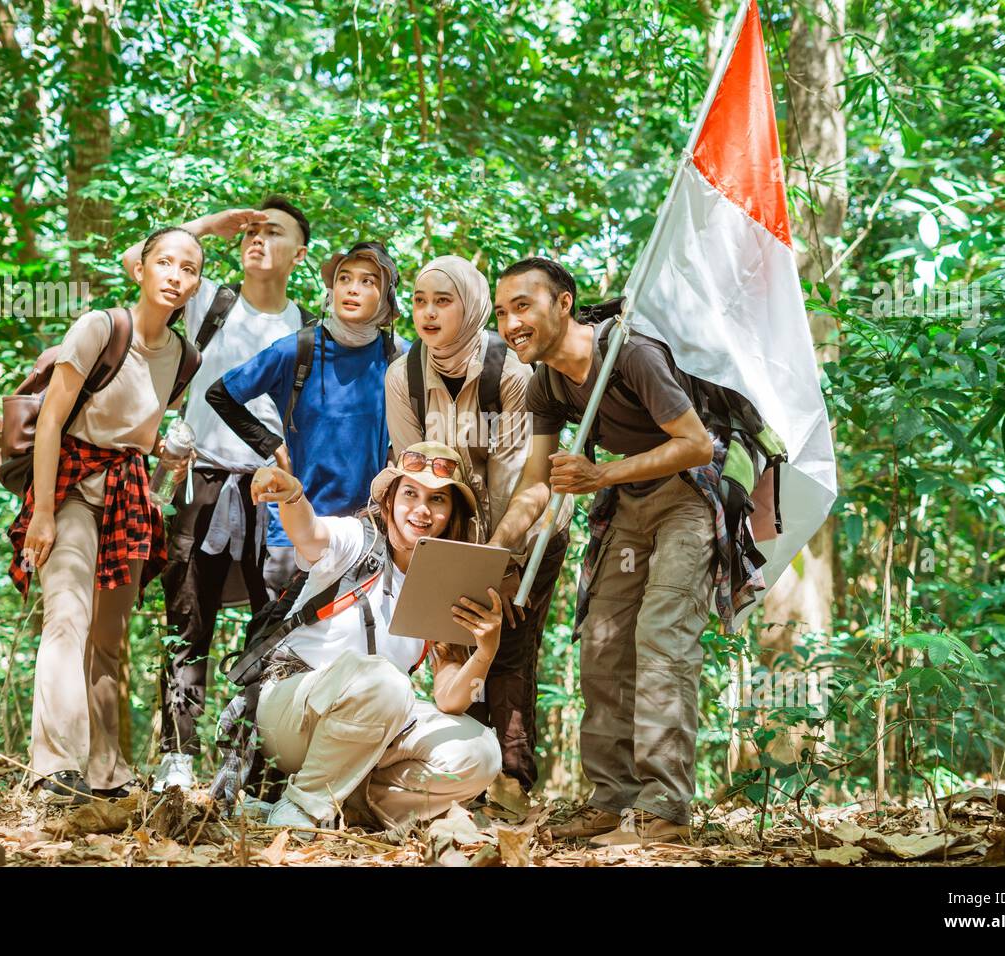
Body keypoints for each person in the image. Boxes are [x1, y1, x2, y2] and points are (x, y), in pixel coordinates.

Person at [489, 257, 716, 846]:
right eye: (501, 312)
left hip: (686, 503)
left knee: (662, 638)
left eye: (522, 306)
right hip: (624, 511)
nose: (510, 323)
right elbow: (537, 481)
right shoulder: (548, 383)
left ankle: (665, 809)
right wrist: (494, 549)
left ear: (563, 304)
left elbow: (697, 446)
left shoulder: (630, 353)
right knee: (603, 646)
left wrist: (602, 473)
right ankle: (612, 801)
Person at [119, 198, 315, 793]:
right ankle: (177, 760)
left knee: (277, 628)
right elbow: (137, 260)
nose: (256, 240)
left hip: (272, 495)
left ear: (298, 254)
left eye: (271, 233)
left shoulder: (306, 326)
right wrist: (207, 227)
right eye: (250, 233)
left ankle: (256, 768)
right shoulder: (210, 300)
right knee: (188, 618)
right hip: (201, 482)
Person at [11, 227, 204, 805]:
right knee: (66, 618)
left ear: (196, 284)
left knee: (109, 639)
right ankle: (54, 766)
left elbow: (141, 437)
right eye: (164, 262)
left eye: (189, 268)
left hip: (128, 497)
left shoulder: (184, 356)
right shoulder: (101, 327)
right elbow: (51, 420)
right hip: (68, 487)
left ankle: (107, 771)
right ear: (139, 269)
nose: (175, 275)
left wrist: (165, 451)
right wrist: (43, 513)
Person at [243, 441, 503, 832]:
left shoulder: (443, 584)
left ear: (451, 515)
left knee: (480, 752)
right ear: (388, 500)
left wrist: (485, 651)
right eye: (410, 493)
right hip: (292, 709)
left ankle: (356, 807)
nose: (422, 510)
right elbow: (311, 533)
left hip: (374, 723)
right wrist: (292, 495)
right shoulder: (356, 541)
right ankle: (302, 808)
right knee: (386, 681)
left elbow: (449, 697)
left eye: (437, 500)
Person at [384, 255, 570, 792]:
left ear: (471, 305)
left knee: (507, 644)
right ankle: (460, 779)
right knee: (452, 645)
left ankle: (512, 783)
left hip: (528, 531)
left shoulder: (510, 372)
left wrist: (500, 563)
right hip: (451, 533)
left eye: (444, 301)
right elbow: (412, 469)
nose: (428, 313)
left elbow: (522, 483)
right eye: (420, 300)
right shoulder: (404, 376)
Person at [205, 241, 402, 527]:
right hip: (296, 518)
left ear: (387, 298)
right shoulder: (296, 350)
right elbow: (221, 394)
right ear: (332, 291)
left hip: (369, 523)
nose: (352, 288)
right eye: (344, 278)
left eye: (367, 281)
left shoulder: (398, 356)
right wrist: (274, 447)